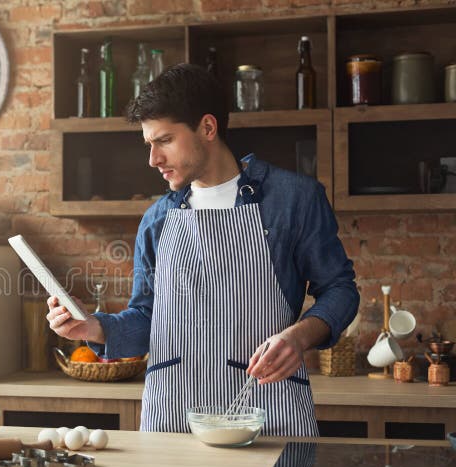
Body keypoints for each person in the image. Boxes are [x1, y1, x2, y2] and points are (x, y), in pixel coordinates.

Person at [46, 63, 359, 436]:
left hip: (268, 415)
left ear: (207, 128)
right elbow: (148, 318)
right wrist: (93, 328)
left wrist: (299, 337)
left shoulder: (293, 199)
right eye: (148, 145)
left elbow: (340, 289)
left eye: (164, 141)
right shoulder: (157, 219)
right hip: (173, 419)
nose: (153, 160)